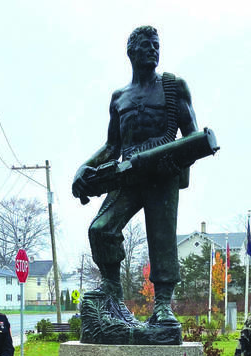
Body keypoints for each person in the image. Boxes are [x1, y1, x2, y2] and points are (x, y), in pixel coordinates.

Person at [72, 25, 197, 326]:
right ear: (131, 52)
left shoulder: (173, 86)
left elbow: (193, 138)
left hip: (162, 173)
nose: (153, 50)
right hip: (127, 174)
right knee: (101, 229)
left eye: (156, 45)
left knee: (162, 238)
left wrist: (175, 163)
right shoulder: (119, 97)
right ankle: (112, 290)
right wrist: (83, 168)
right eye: (146, 45)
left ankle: (163, 305)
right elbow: (112, 146)